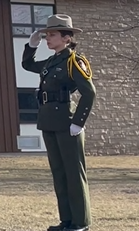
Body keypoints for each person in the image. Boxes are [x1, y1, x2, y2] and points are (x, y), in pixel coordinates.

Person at [22, 14, 96, 231]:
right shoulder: (52, 61)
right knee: (59, 173)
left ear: (67, 37)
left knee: (74, 173)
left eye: (52, 35)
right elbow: (28, 65)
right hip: (49, 121)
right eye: (46, 35)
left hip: (67, 122)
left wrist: (78, 122)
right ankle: (67, 221)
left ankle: (81, 222)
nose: (47, 39)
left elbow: (89, 93)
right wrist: (31, 45)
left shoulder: (75, 61)